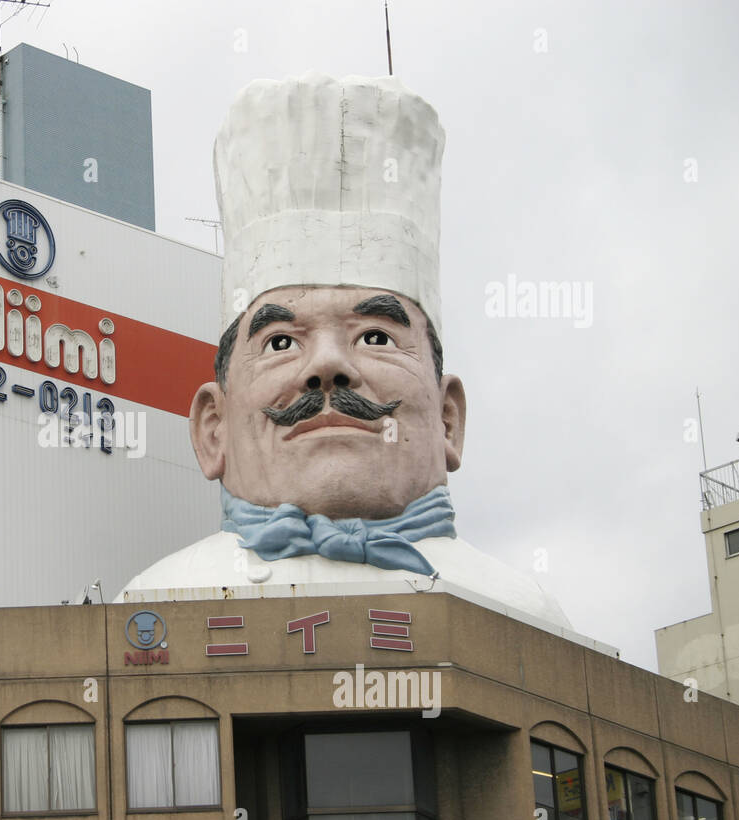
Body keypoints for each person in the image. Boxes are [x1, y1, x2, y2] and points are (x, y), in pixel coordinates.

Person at [118, 70, 569, 630]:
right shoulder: (154, 610)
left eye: (375, 337)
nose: (328, 365)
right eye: (281, 342)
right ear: (214, 428)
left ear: (449, 418)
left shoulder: (523, 617)